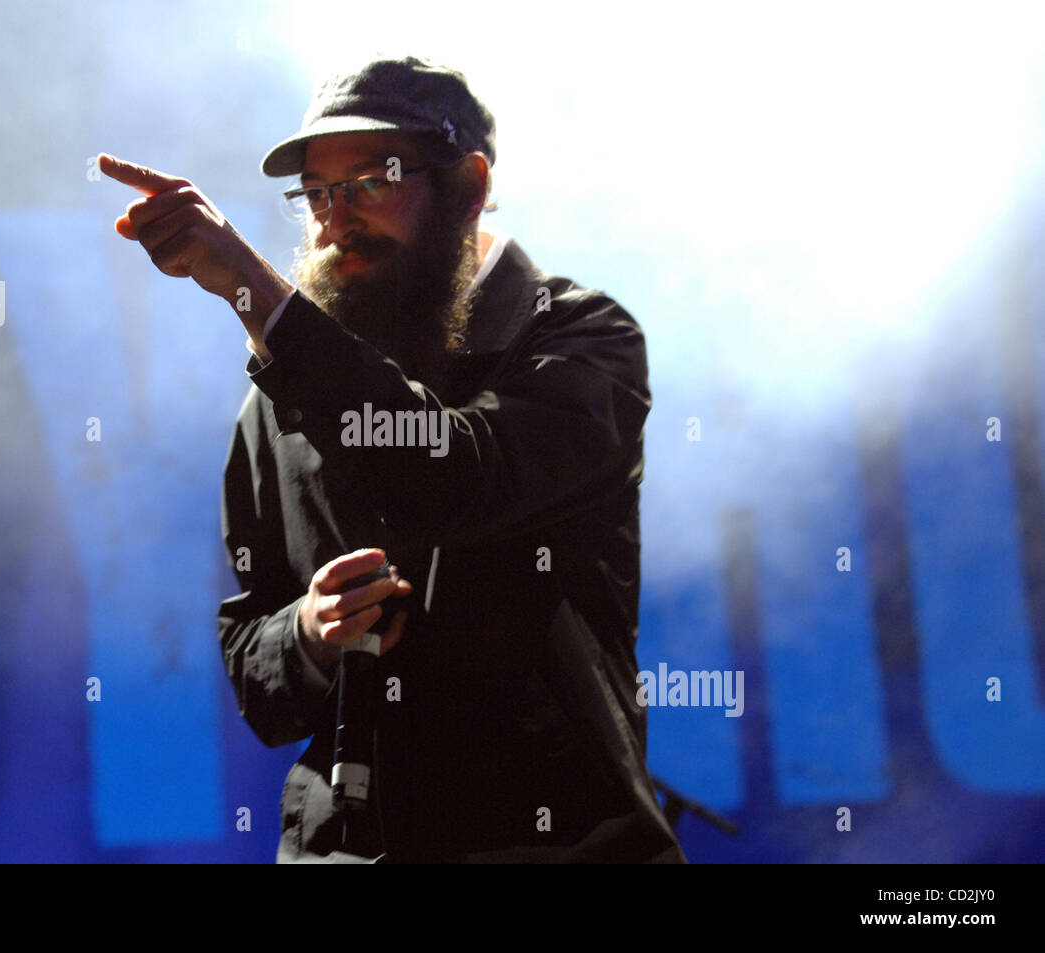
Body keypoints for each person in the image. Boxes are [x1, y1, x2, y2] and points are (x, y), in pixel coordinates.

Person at [100, 55, 686, 863]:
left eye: (374, 180)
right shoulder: (280, 396)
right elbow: (251, 668)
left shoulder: (579, 341)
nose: (336, 217)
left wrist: (250, 285)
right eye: (316, 193)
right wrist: (309, 632)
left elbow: (452, 473)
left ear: (469, 187)